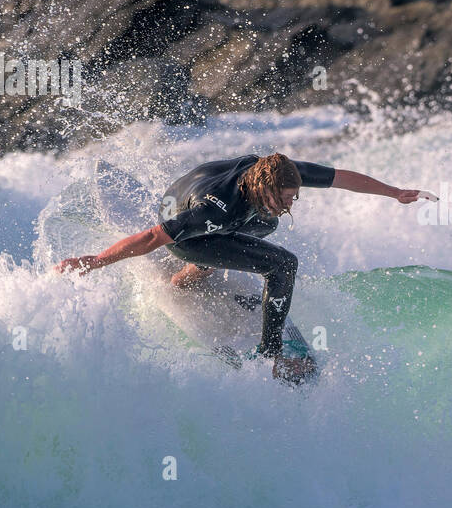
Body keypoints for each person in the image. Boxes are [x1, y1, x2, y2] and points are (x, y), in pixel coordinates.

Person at [56, 153, 425, 382]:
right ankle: (271, 351)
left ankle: (191, 277)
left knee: (269, 225)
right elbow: (153, 238)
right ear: (264, 187)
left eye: (294, 197)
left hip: (188, 194)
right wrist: (94, 261)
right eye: (285, 198)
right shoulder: (217, 210)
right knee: (283, 264)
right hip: (187, 228)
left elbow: (340, 178)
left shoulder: (279, 171)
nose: (291, 202)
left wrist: (394, 192)